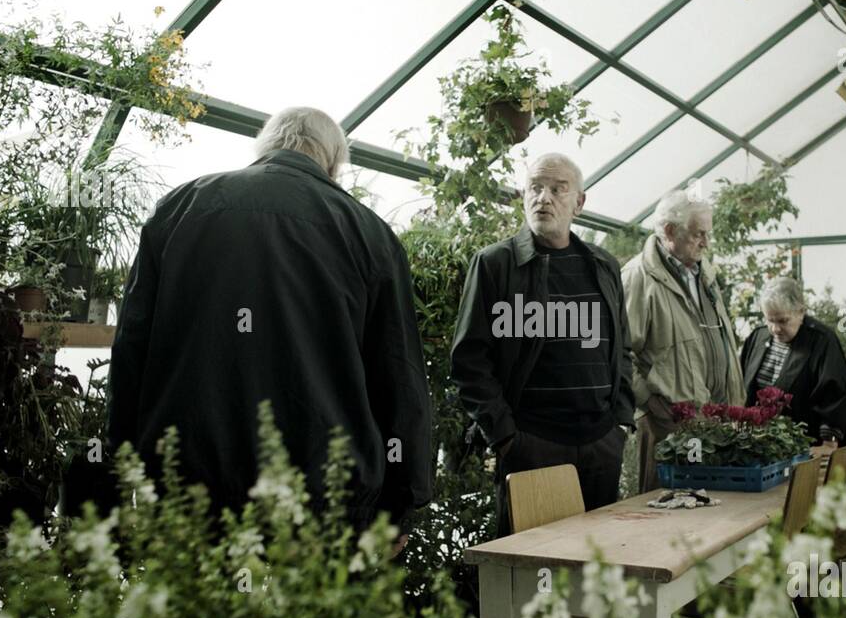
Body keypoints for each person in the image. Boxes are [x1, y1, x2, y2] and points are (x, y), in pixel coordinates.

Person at [108, 107, 432, 543]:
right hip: (324, 498)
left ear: (264, 146)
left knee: (193, 590)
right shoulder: (368, 233)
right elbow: (399, 377)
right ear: (334, 163)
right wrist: (400, 503)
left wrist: (122, 471)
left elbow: (131, 351)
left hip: (187, 489)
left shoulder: (179, 209)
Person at [451, 153, 634, 537]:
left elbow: (622, 348)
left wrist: (620, 422)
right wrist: (506, 438)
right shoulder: (496, 264)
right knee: (534, 564)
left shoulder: (603, 265)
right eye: (535, 188)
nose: (543, 198)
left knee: (599, 558)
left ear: (579, 203)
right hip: (533, 445)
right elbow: (469, 360)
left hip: (601, 444)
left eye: (557, 189)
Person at [623, 189, 744, 492]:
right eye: (698, 233)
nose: (706, 242)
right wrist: (650, 403)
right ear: (669, 231)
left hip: (712, 420)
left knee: (709, 508)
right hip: (668, 425)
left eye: (707, 233)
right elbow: (620, 353)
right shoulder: (638, 277)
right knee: (666, 507)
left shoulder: (703, 273)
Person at [739, 276, 846, 445]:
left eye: (783, 321)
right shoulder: (757, 337)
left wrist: (830, 440)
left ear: (801, 312)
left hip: (805, 444)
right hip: (758, 441)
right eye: (770, 320)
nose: (775, 329)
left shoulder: (822, 340)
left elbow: (835, 397)